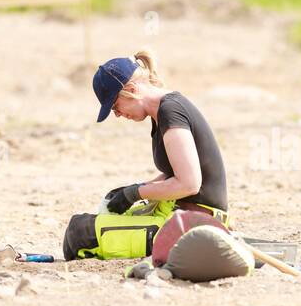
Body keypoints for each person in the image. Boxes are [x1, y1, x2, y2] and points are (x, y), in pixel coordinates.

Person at [64, 50, 230, 260]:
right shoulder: (162, 112)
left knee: (79, 234)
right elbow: (174, 174)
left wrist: (137, 193)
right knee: (87, 223)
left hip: (194, 226)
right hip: (178, 215)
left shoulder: (171, 112)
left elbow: (189, 184)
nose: (117, 115)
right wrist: (130, 191)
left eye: (115, 106)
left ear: (131, 90)